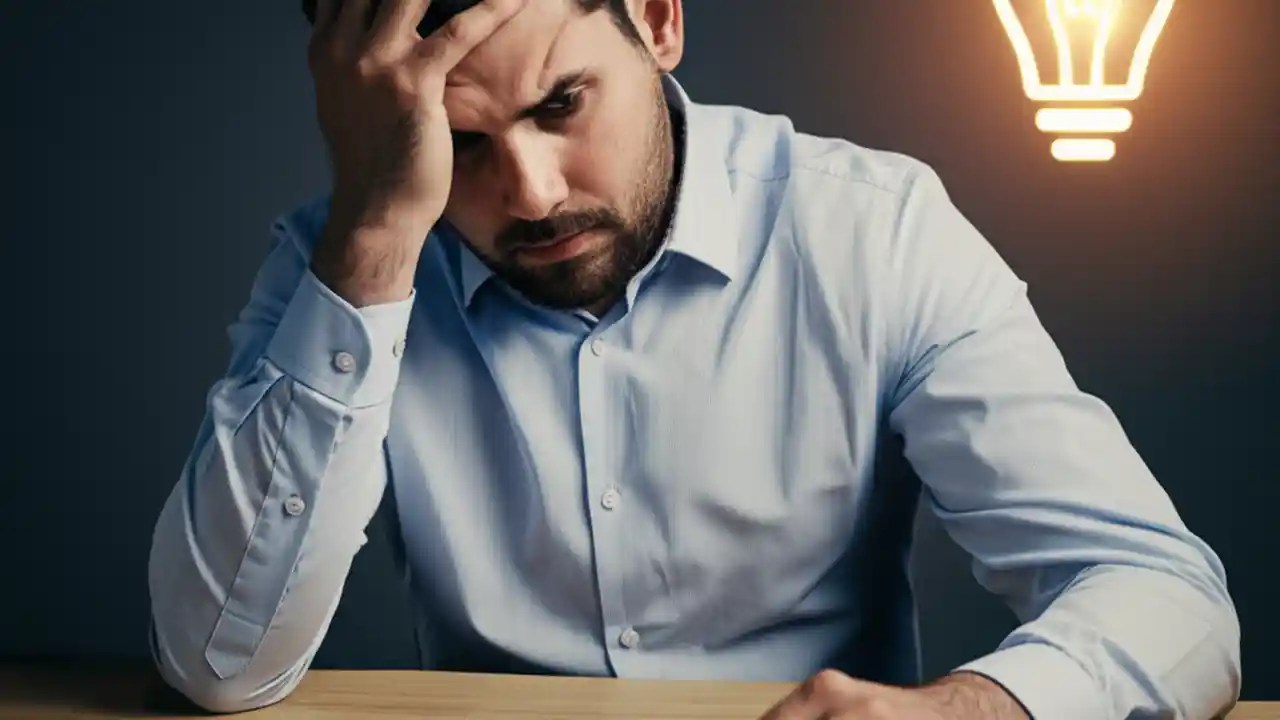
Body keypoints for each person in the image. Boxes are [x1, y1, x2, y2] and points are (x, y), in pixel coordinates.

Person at [146, 0, 1241, 717]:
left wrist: (976, 710)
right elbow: (219, 666)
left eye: (561, 104)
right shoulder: (349, 258)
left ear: (659, 19)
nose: (530, 193)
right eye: (459, 143)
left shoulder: (873, 230)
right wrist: (375, 242)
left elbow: (1165, 596)